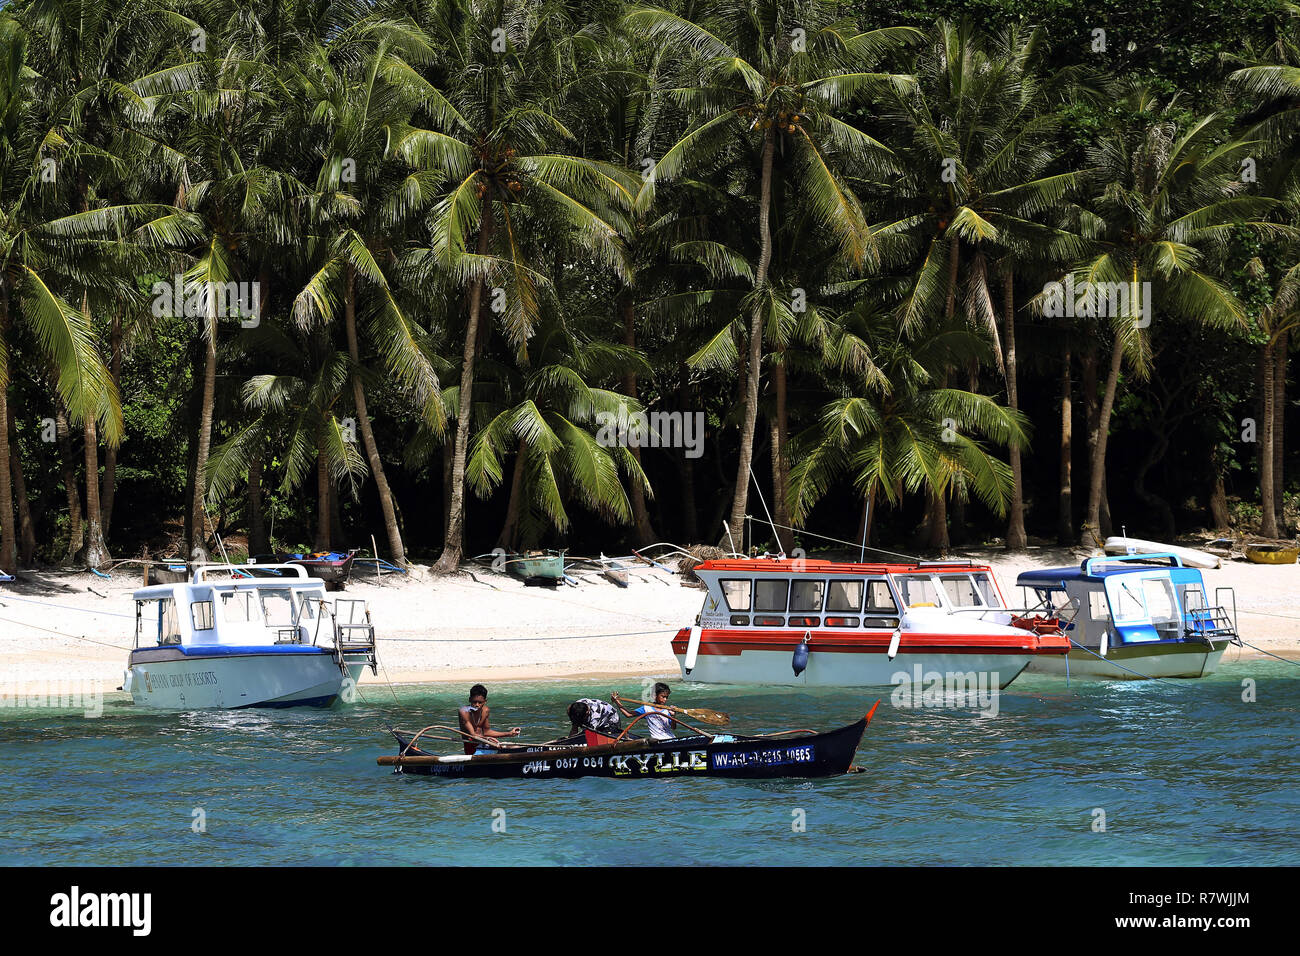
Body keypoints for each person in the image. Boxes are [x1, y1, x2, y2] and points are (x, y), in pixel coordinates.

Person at [458, 684, 521, 755]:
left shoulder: (485, 711)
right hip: (472, 747)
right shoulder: (463, 712)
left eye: (480, 702)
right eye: (474, 702)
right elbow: (473, 735)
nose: (477, 705)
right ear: (470, 700)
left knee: (515, 747)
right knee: (505, 747)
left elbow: (487, 732)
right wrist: (488, 739)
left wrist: (509, 733)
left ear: (485, 701)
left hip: (485, 743)